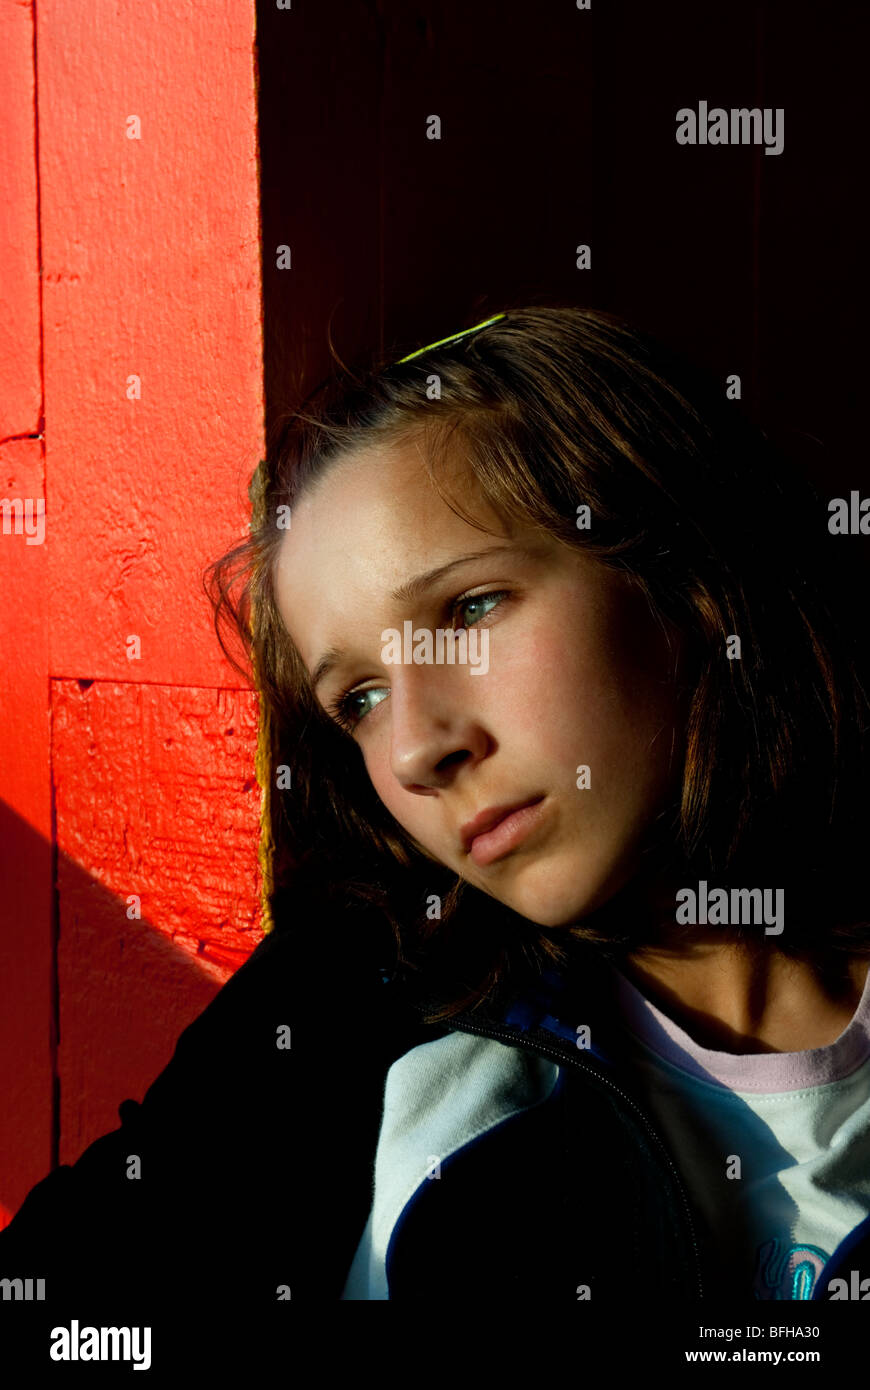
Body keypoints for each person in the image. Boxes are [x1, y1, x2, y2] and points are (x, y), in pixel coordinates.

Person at [2, 305, 869, 1313]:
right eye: (358, 700)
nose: (417, 749)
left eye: (468, 610)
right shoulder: (357, 1004)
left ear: (682, 575)